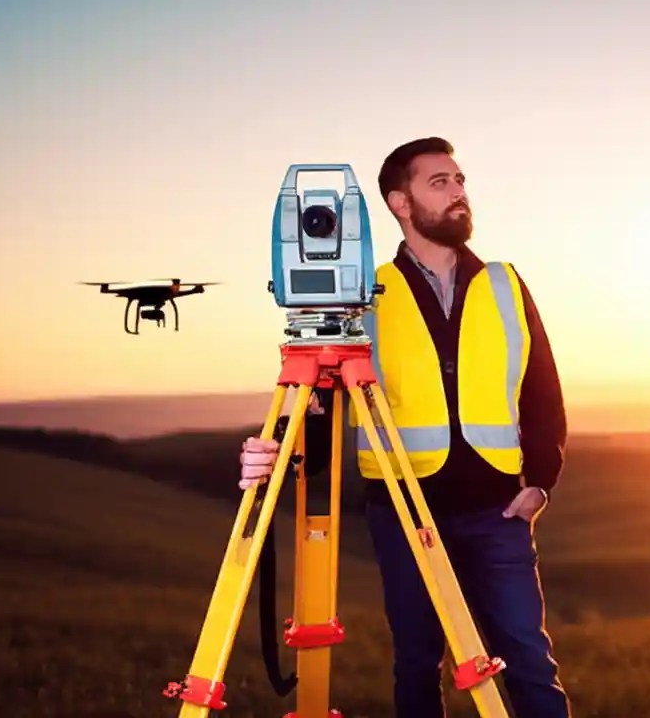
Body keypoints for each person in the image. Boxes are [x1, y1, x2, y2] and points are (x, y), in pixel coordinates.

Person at [238, 137, 572, 718]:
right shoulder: (367, 297)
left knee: (529, 662)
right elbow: (323, 414)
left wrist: (541, 481)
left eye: (460, 180)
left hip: (499, 511)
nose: (459, 193)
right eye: (439, 183)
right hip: (403, 513)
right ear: (400, 202)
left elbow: (542, 392)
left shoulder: (505, 283)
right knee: (417, 666)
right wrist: (282, 451)